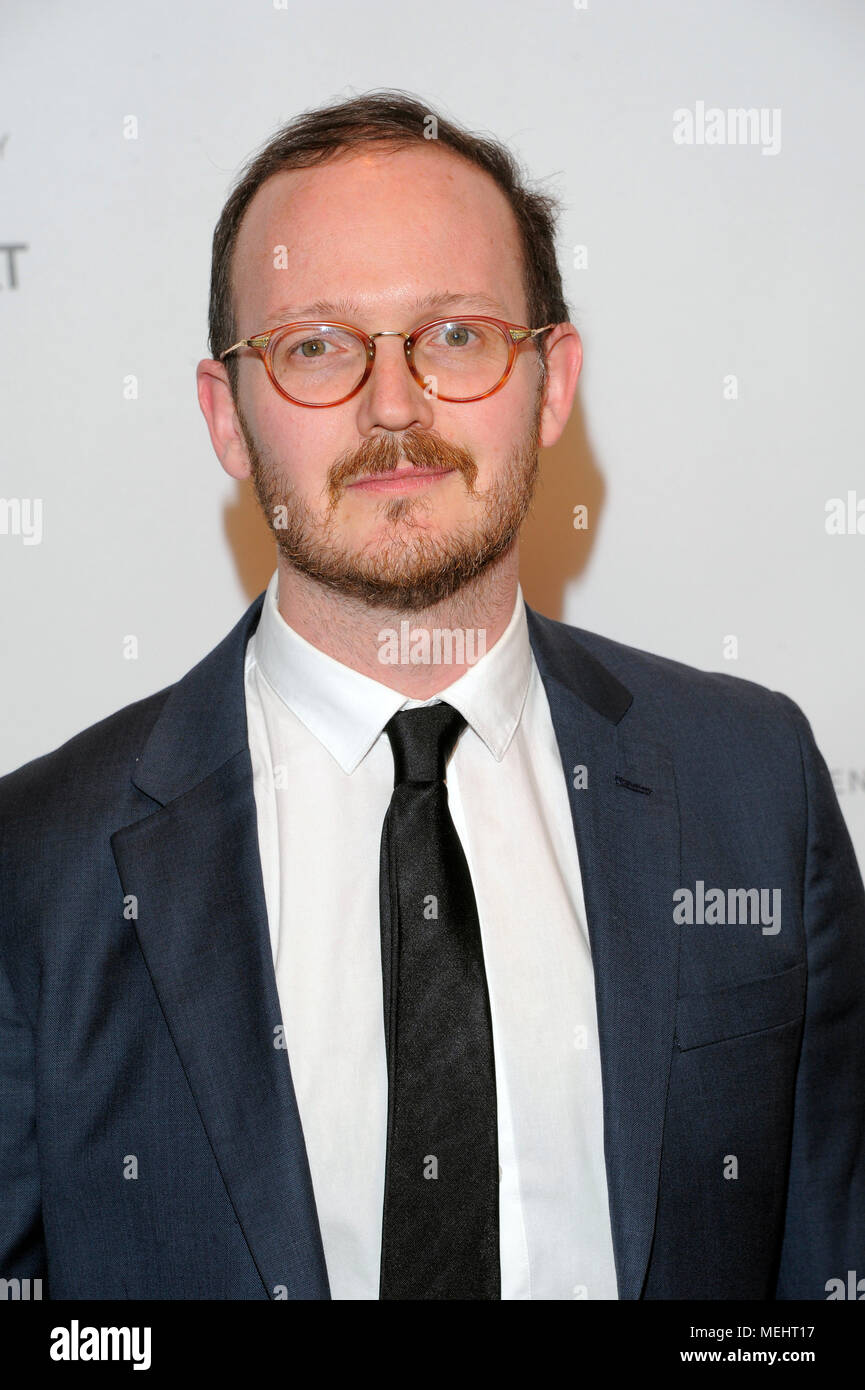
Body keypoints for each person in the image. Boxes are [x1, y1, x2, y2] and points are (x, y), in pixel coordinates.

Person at [1, 90, 863, 1302]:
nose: (393, 405)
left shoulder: (752, 784)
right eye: (315, 345)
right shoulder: (38, 864)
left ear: (551, 384)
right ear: (227, 419)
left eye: (455, 334)